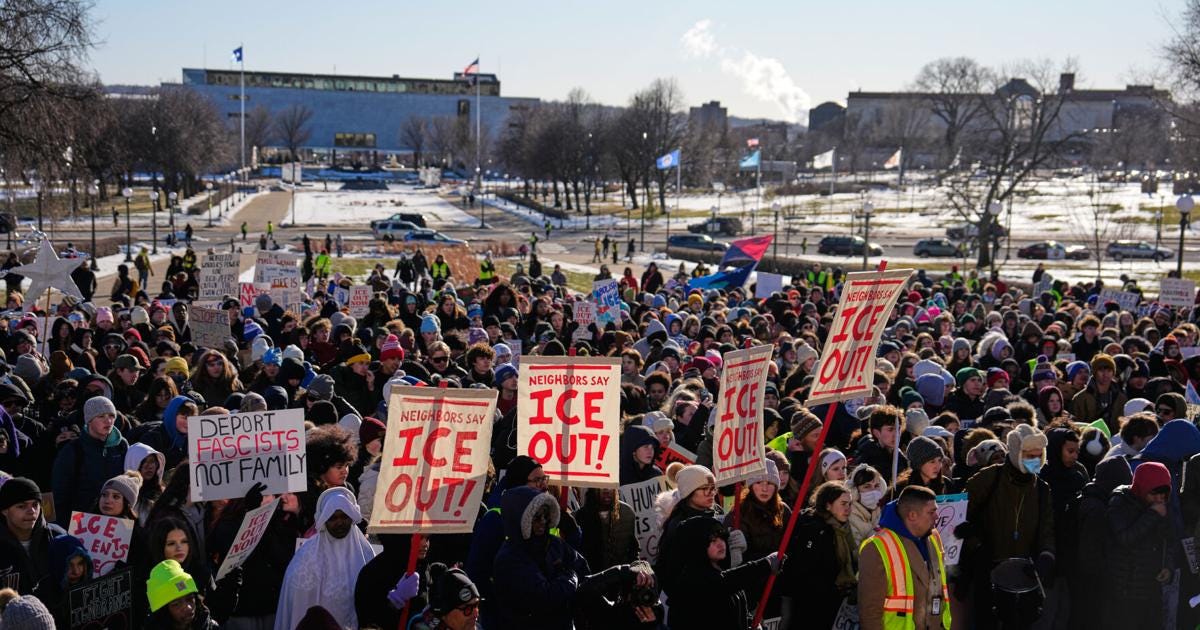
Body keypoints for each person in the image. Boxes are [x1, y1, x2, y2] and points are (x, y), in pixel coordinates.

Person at [960, 423, 1054, 630]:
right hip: (988, 571)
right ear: (1016, 453)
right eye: (1030, 456)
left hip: (1024, 574)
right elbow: (960, 518)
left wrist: (1046, 554)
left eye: (1039, 455)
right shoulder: (988, 479)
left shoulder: (1041, 489)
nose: (1035, 461)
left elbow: (1046, 528)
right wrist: (976, 547)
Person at [275, 487, 376, 629]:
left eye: (344, 516)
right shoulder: (306, 558)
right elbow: (298, 608)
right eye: (333, 518)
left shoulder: (365, 552)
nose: (340, 523)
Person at [491, 485, 589, 630]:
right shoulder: (510, 557)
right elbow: (545, 597)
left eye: (546, 515)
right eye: (536, 517)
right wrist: (570, 577)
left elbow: (583, 569)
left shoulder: (554, 543)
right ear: (521, 519)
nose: (543, 521)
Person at [858, 485, 952, 630]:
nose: (937, 517)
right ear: (912, 515)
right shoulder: (876, 548)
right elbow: (870, 612)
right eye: (931, 512)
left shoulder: (933, 537)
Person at [662, 516, 782, 630]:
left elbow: (737, 609)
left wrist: (749, 624)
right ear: (696, 544)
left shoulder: (720, 570)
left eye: (722, 537)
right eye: (712, 540)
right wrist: (765, 564)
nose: (720, 544)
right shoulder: (691, 580)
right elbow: (721, 583)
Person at [783, 481, 857, 630]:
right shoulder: (813, 529)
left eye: (850, 504)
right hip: (812, 608)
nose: (848, 509)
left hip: (833, 604)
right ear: (828, 505)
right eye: (843, 504)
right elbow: (805, 572)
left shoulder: (842, 529)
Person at [51, 397, 128, 526]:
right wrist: (64, 526)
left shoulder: (121, 446)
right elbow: (59, 494)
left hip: (114, 525)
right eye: (101, 416)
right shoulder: (73, 450)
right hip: (80, 522)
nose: (108, 421)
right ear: (89, 420)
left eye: (111, 416)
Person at [0, 478, 62, 594]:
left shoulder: (58, 537)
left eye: (35, 504)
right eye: (21, 506)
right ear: (4, 511)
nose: (32, 511)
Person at [144, 559, 220, 629]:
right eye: (176, 604)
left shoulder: (210, 626)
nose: (188, 607)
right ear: (163, 611)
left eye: (190, 599)